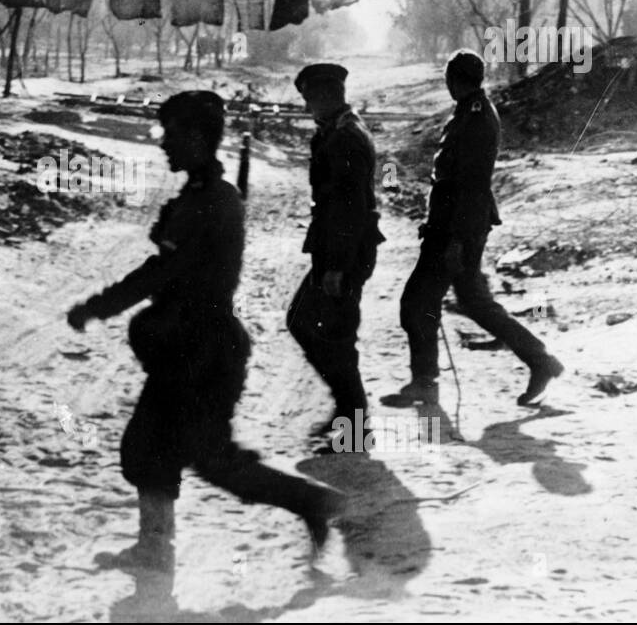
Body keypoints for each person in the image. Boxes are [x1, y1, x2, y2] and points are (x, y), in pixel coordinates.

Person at [67, 90, 346, 572]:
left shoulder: (212, 201)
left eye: (171, 135)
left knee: (211, 459)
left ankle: (313, 504)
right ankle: (155, 548)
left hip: (204, 351)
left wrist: (100, 306)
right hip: (186, 347)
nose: (163, 145)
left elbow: (162, 273)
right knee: (147, 446)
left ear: (198, 138)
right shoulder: (202, 193)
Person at [382, 49, 564, 410]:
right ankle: (539, 361)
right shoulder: (470, 112)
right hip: (452, 227)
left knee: (419, 303)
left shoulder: (477, 118)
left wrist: (454, 240)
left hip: (457, 229)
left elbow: (471, 184)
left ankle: (426, 383)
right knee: (468, 301)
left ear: (453, 79)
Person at [286, 63, 385, 445]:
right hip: (338, 249)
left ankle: (355, 426)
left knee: (327, 331)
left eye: (309, 99)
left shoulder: (345, 138)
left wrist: (336, 267)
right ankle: (349, 413)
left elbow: (348, 209)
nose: (307, 106)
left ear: (325, 96)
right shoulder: (339, 131)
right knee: (314, 325)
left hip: (345, 252)